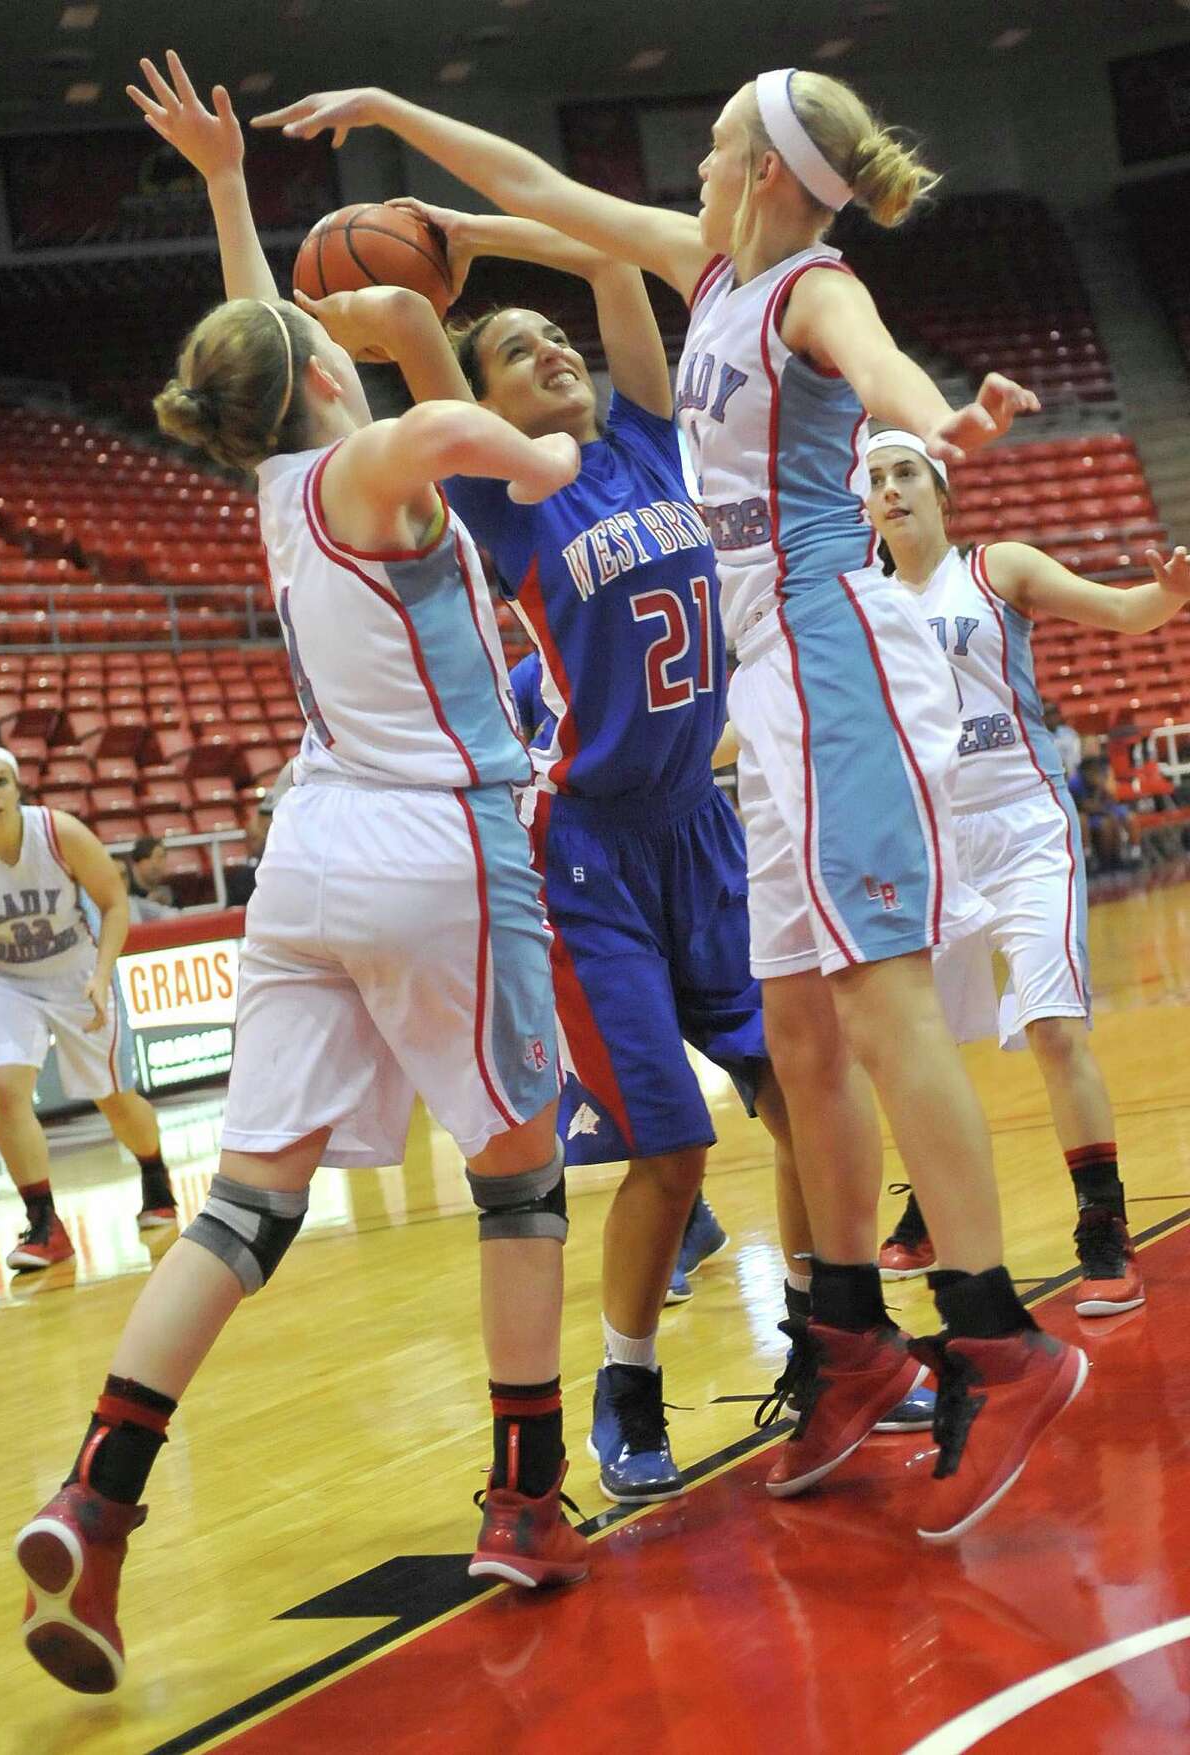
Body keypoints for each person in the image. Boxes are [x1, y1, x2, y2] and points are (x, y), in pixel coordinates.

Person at [257, 64, 1085, 1544]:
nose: (691, 167)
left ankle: (997, 1332)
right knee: (803, 1025)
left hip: (828, 655)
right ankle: (843, 1341)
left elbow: (880, 360)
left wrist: (940, 418)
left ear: (763, 174)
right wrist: (394, 116)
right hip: (756, 700)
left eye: (712, 149)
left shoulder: (807, 289)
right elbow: (542, 196)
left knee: (879, 1005)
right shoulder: (705, 275)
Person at [14, 54, 586, 1700]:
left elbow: (267, 328)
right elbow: (514, 454)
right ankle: (526, 1500)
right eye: (333, 343)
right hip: (435, 846)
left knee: (251, 1200)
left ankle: (97, 1500)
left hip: (308, 863)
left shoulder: (275, 480)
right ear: (329, 378)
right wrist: (462, 368)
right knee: (520, 1175)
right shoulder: (379, 468)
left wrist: (220, 192)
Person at [370, 194, 874, 1508]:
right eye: (521, 352)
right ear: (483, 406)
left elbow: (604, 259)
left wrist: (491, 225)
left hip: (704, 833)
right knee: (673, 1149)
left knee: (802, 1094)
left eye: (559, 343)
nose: (555, 356)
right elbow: (420, 328)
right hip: (587, 856)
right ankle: (629, 1378)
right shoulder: (503, 497)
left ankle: (832, 1348)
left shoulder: (652, 446)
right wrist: (425, 270)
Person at [865, 428, 1190, 1313]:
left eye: (906, 474)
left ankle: (1103, 1227)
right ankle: (932, 1202)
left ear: (938, 491)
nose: (892, 489)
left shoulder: (994, 567)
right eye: (877, 479)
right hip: (928, 842)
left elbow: (1122, 614)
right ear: (865, 507)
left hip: (1024, 826)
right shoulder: (859, 605)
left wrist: (1166, 596)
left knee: (1052, 1030)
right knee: (916, 1046)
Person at [509, 645, 733, 1313]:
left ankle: (684, 1224)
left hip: (679, 843)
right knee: (615, 1059)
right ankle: (685, 1223)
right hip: (576, 865)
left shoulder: (683, 634)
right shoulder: (530, 672)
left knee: (656, 1057)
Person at [0, 745, 178, 1272]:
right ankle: (46, 1226)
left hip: (78, 976)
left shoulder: (58, 833)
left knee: (114, 1099)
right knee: (6, 1088)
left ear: (18, 787)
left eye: (0, 781)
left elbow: (115, 903)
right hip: (7, 981)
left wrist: (100, 975)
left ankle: (155, 1177)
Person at [127, 836, 177, 913]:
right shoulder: (125, 892)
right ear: (138, 862)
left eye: (163, 858)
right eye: (158, 858)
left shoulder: (168, 891)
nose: (160, 865)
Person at [1042, 700, 1081, 781]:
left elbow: (1077, 758)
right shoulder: (1040, 736)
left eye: (1054, 712)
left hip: (1073, 777)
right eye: (1048, 713)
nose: (1052, 716)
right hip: (1051, 778)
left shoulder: (1070, 733)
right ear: (1042, 716)